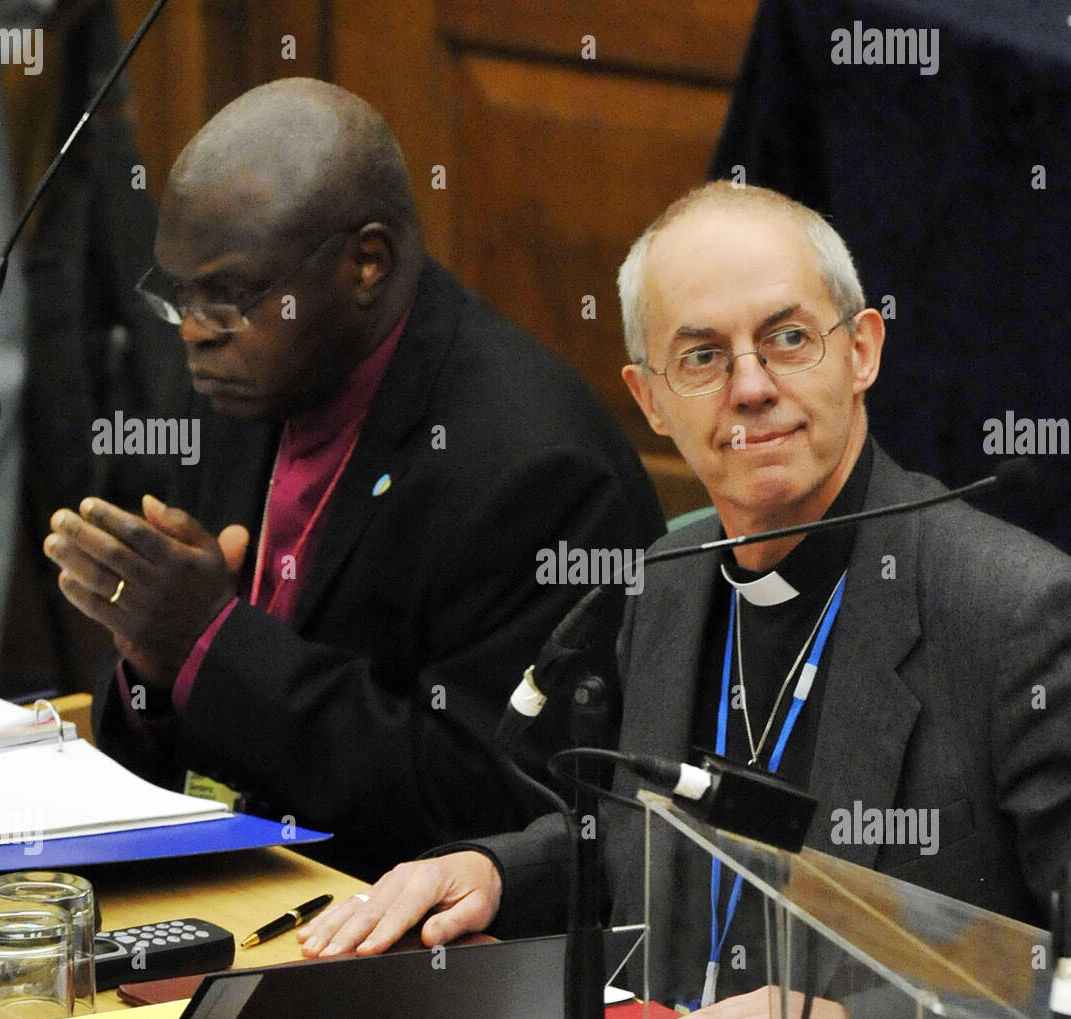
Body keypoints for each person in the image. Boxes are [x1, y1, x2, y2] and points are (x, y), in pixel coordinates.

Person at [298, 183, 1071, 1019]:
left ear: (862, 350)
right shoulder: (672, 574)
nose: (751, 385)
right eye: (702, 357)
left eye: (789, 339)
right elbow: (670, 850)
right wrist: (500, 874)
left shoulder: (1023, 616)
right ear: (651, 400)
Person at [42, 79, 664, 879]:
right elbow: (191, 693)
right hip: (240, 885)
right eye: (180, 296)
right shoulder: (239, 388)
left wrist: (208, 644)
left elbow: (496, 804)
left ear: (367, 263)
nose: (196, 332)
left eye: (230, 296)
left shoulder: (534, 471)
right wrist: (154, 669)